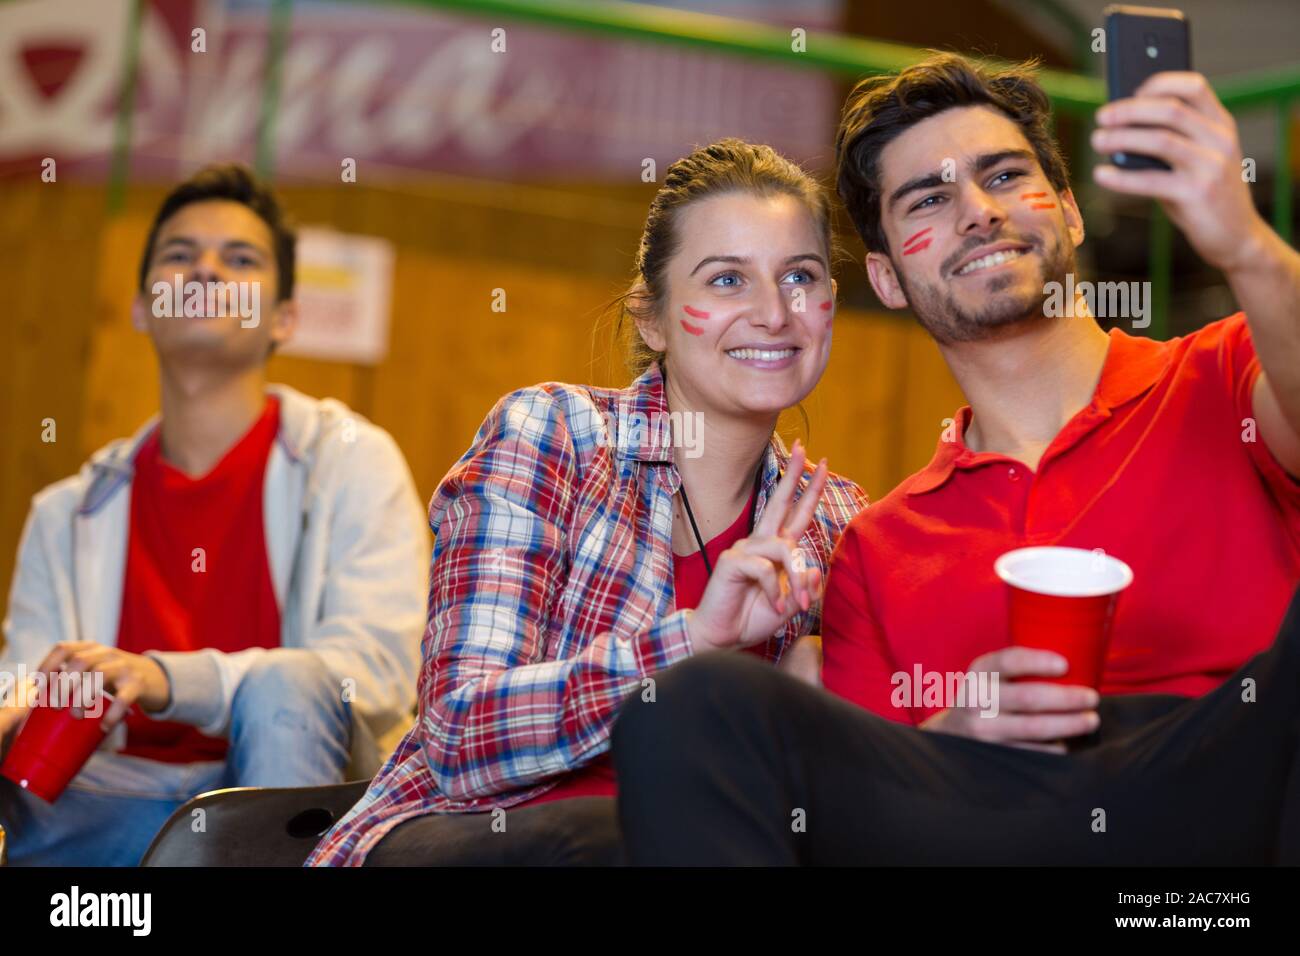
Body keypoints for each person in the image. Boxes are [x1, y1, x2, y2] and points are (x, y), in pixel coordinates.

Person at [610, 54, 1300, 865]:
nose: (977, 212)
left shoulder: (1228, 374)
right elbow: (871, 818)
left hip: (1232, 813)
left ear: (1071, 213)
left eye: (1005, 176)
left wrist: (1247, 245)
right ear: (887, 277)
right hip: (1003, 825)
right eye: (930, 199)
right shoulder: (875, 548)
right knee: (697, 701)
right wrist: (953, 735)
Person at [307, 139, 867, 866]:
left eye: (799, 276)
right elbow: (458, 736)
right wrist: (695, 641)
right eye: (727, 280)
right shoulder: (555, 434)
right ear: (653, 319)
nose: (773, 311)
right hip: (466, 836)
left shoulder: (838, 521)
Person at [0, 164, 429, 866]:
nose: (204, 270)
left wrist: (169, 681)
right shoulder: (64, 512)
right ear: (142, 306)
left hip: (289, 809)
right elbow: (21, 685)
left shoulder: (350, 459)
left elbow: (376, 676)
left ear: (285, 316)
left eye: (239, 260)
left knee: (288, 685)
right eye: (179, 255)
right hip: (113, 809)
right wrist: (21, 701)